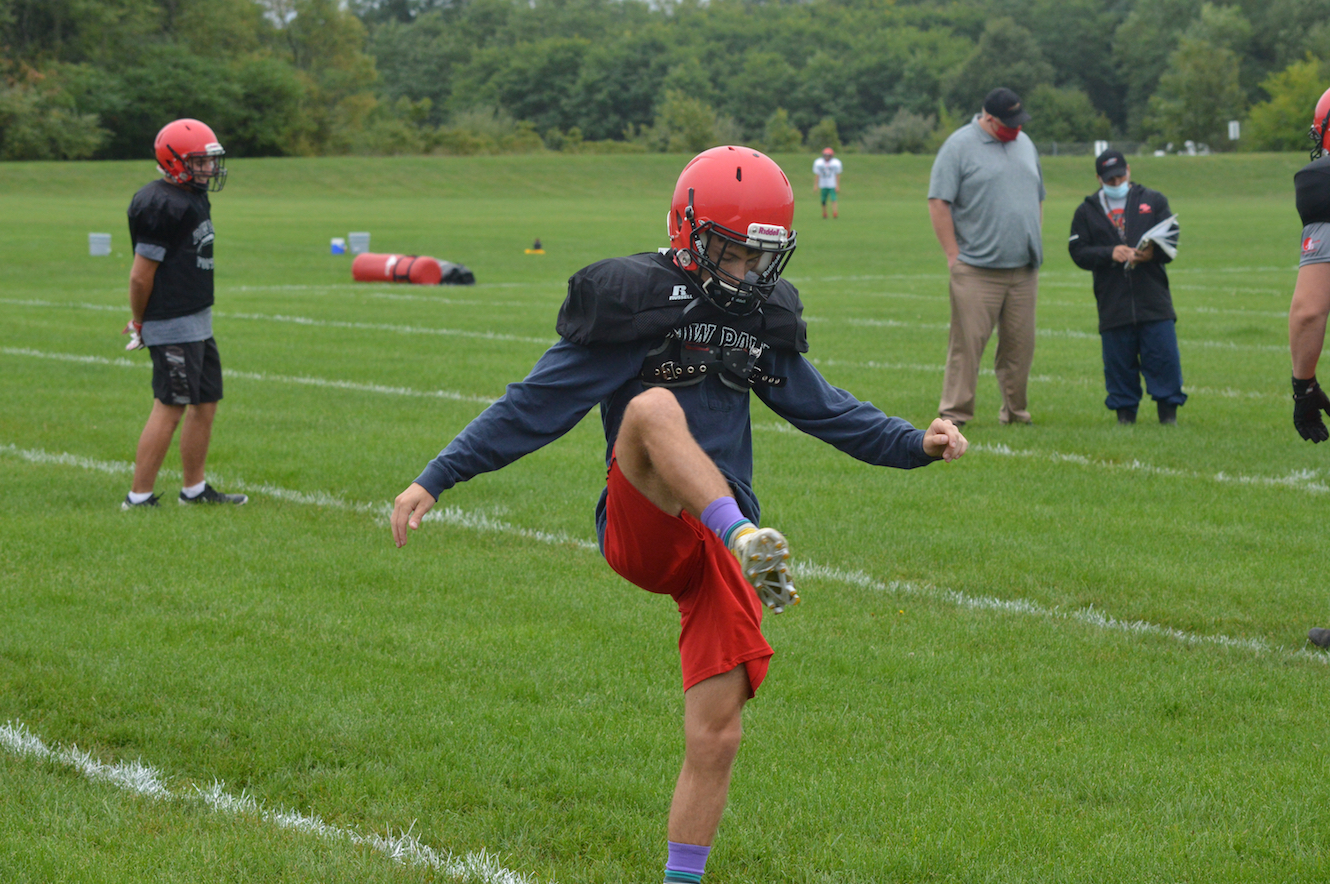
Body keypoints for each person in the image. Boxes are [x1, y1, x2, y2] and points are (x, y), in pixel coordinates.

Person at [391, 145, 967, 883]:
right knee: (654, 406)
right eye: (732, 254)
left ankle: (680, 879)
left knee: (718, 736)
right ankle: (745, 536)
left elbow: (825, 408)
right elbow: (532, 406)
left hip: (717, 553)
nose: (745, 274)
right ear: (690, 233)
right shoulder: (637, 301)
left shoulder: (757, 317)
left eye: (760, 258)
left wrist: (915, 442)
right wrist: (436, 478)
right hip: (651, 523)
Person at [120, 118, 247, 509]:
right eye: (199, 161)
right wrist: (141, 322)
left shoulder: (190, 196)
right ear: (174, 161)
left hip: (197, 320)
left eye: (209, 161)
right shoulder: (159, 203)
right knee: (170, 406)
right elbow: (141, 277)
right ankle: (138, 497)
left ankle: (193, 490)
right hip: (171, 321)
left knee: (205, 402)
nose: (209, 168)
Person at [927, 87, 1045, 428]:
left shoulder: (1025, 144)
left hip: (1024, 269)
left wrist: (1032, 237)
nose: (1016, 128)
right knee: (967, 345)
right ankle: (955, 413)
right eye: (1009, 123)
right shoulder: (958, 146)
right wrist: (953, 256)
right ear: (989, 119)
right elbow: (938, 201)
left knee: (1020, 347)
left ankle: (1016, 411)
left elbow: (1037, 196)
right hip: (976, 269)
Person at [1068, 149, 1185, 425]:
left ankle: (1169, 415)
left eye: (1120, 176)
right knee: (1118, 362)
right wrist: (1110, 253)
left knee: (1163, 357)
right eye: (1110, 179)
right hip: (1113, 302)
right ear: (1098, 179)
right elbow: (1078, 251)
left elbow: (1172, 241)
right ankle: (1125, 415)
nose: (1116, 182)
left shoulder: (1153, 200)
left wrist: (1151, 254)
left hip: (1153, 298)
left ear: (1129, 171)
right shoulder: (1086, 210)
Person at [812, 146, 842, 219]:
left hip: (832, 184)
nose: (827, 157)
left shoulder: (836, 163)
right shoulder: (819, 163)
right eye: (826, 155)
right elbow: (817, 175)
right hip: (823, 184)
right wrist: (815, 185)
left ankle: (835, 212)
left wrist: (837, 186)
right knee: (823, 200)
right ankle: (824, 213)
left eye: (828, 155)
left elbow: (837, 175)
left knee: (833, 199)